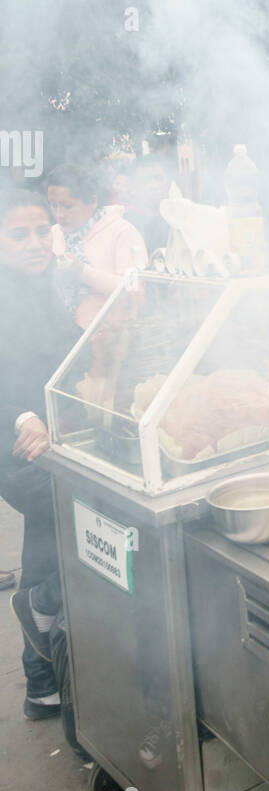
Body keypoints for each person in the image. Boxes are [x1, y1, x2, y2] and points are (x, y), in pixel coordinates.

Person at [0, 186, 79, 721]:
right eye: (18, 234)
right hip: (19, 444)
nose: (33, 243)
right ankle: (44, 607)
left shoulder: (46, 283)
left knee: (45, 545)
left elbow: (66, 349)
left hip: (50, 433)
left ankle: (42, 685)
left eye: (41, 231)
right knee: (60, 533)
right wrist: (24, 416)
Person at [45, 163, 148, 330]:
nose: (59, 214)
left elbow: (135, 290)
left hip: (108, 337)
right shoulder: (52, 234)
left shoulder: (122, 232)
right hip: (61, 336)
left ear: (92, 202)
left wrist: (82, 270)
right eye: (53, 205)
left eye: (67, 206)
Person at [124, 154, 171, 256]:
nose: (154, 186)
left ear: (167, 184)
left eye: (158, 178)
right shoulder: (126, 225)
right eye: (145, 180)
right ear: (133, 187)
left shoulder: (178, 221)